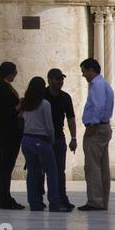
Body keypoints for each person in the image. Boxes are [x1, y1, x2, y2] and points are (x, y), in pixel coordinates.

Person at [18, 76, 70, 212]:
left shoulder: (25, 104)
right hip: (41, 140)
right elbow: (49, 126)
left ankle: (34, 203)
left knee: (32, 173)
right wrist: (51, 140)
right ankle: (55, 203)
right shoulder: (44, 104)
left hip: (26, 140)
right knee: (51, 172)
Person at [78, 57, 114, 211]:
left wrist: (93, 124)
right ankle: (102, 200)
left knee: (92, 166)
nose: (83, 75)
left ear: (91, 70)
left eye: (84, 71)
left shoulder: (97, 85)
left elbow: (98, 106)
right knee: (102, 166)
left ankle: (95, 201)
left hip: (97, 128)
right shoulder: (104, 84)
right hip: (103, 127)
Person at [0, 61, 24, 210]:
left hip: (3, 131)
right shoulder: (2, 89)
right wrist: (19, 106)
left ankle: (2, 197)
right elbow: (7, 112)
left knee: (3, 166)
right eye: (14, 73)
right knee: (5, 165)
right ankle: (4, 198)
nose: (15, 75)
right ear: (9, 73)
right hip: (8, 132)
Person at [45, 67, 77, 210]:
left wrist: (74, 137)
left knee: (59, 171)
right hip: (43, 139)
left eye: (61, 79)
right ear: (49, 80)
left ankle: (62, 198)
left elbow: (71, 118)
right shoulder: (42, 95)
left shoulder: (65, 97)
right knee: (42, 171)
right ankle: (41, 200)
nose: (60, 82)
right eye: (57, 79)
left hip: (58, 138)